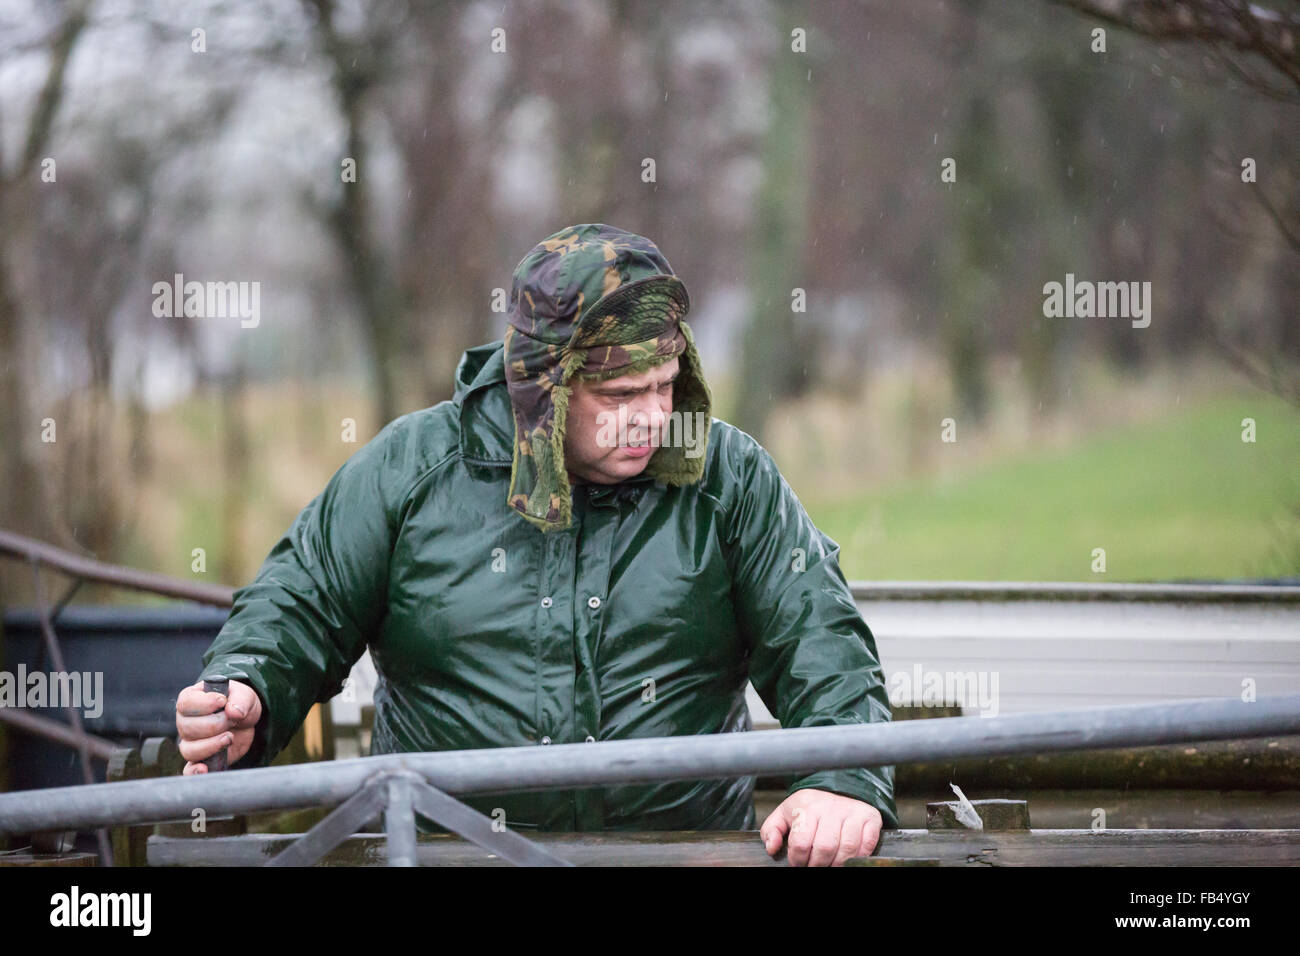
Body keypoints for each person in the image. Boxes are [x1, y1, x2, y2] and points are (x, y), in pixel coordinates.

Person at [175, 223, 896, 866]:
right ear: (540, 390)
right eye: (619, 397)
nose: (651, 418)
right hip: (438, 858)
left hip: (684, 857)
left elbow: (818, 633)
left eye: (665, 386)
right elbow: (303, 596)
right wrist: (249, 688)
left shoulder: (728, 479)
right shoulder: (413, 469)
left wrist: (843, 780)